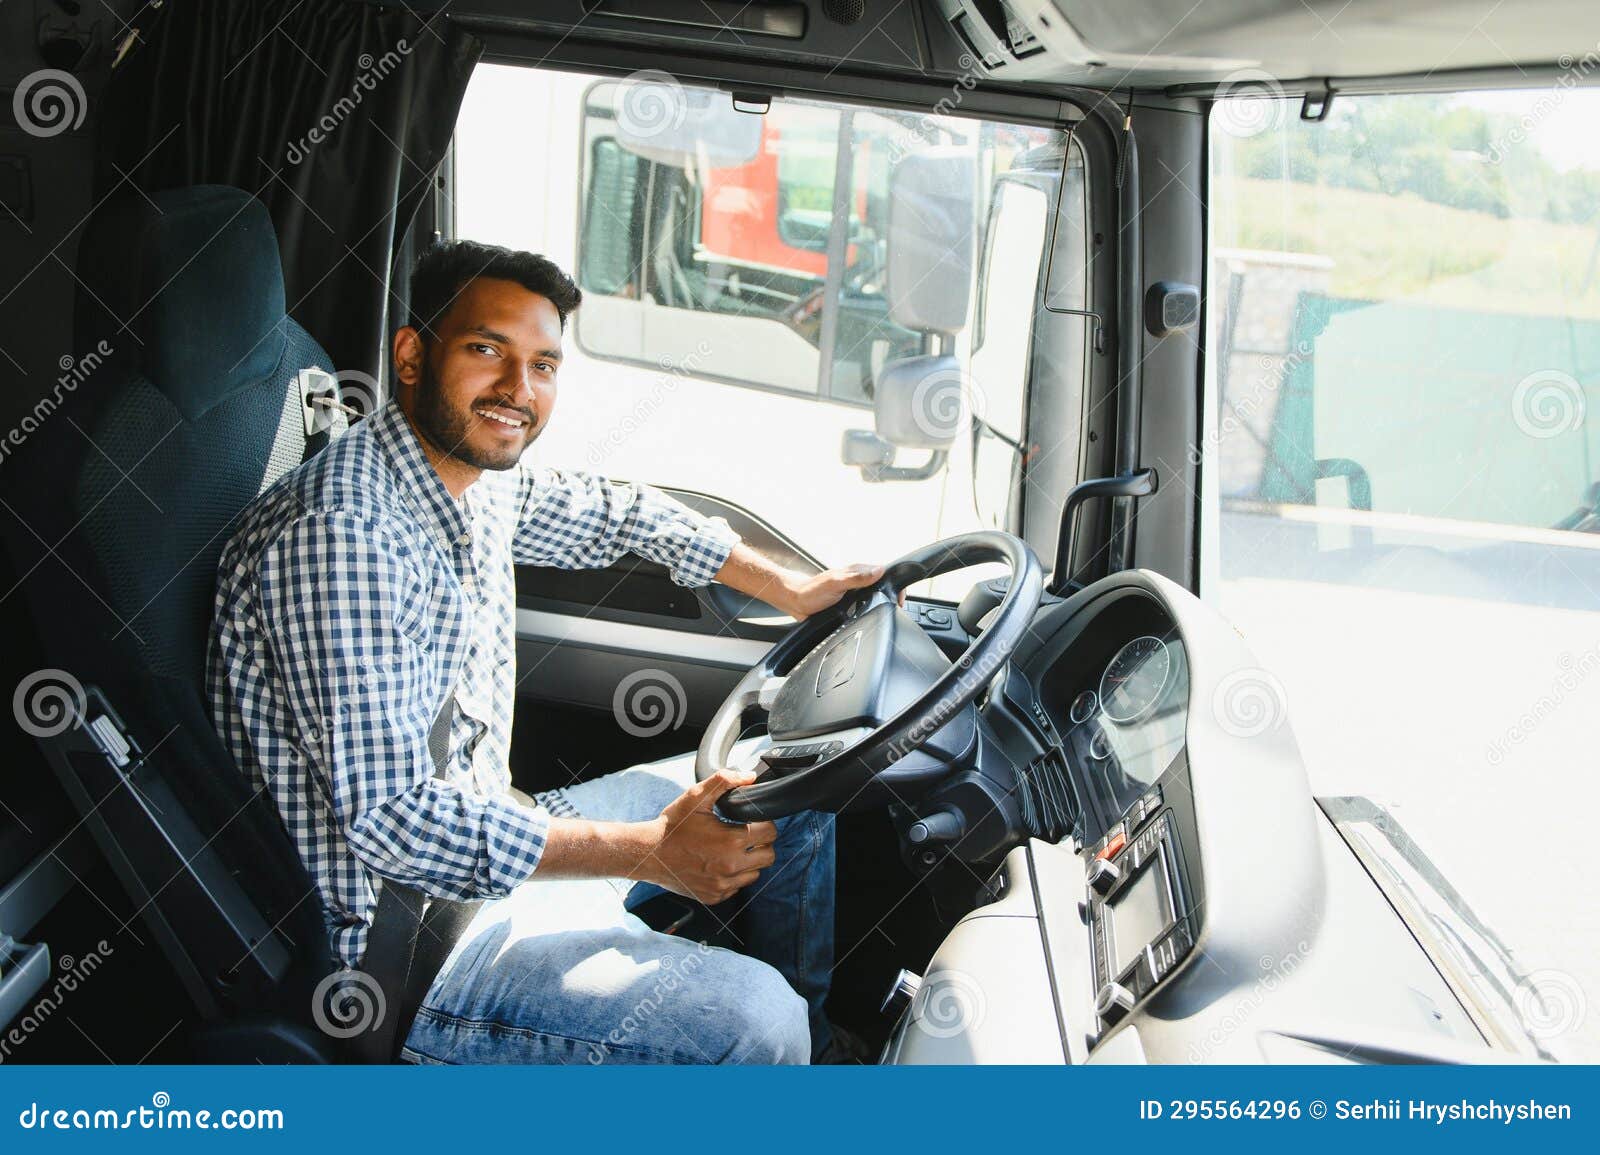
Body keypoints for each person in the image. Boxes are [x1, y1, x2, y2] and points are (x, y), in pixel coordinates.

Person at [209, 241, 883, 1064]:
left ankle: (817, 1055)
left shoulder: (474, 479)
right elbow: (396, 823)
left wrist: (792, 587)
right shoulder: (344, 536)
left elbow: (618, 514)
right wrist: (651, 849)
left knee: (783, 779)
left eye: (543, 365)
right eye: (486, 349)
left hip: (498, 830)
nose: (517, 390)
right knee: (755, 1023)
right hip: (408, 949)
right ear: (412, 355)